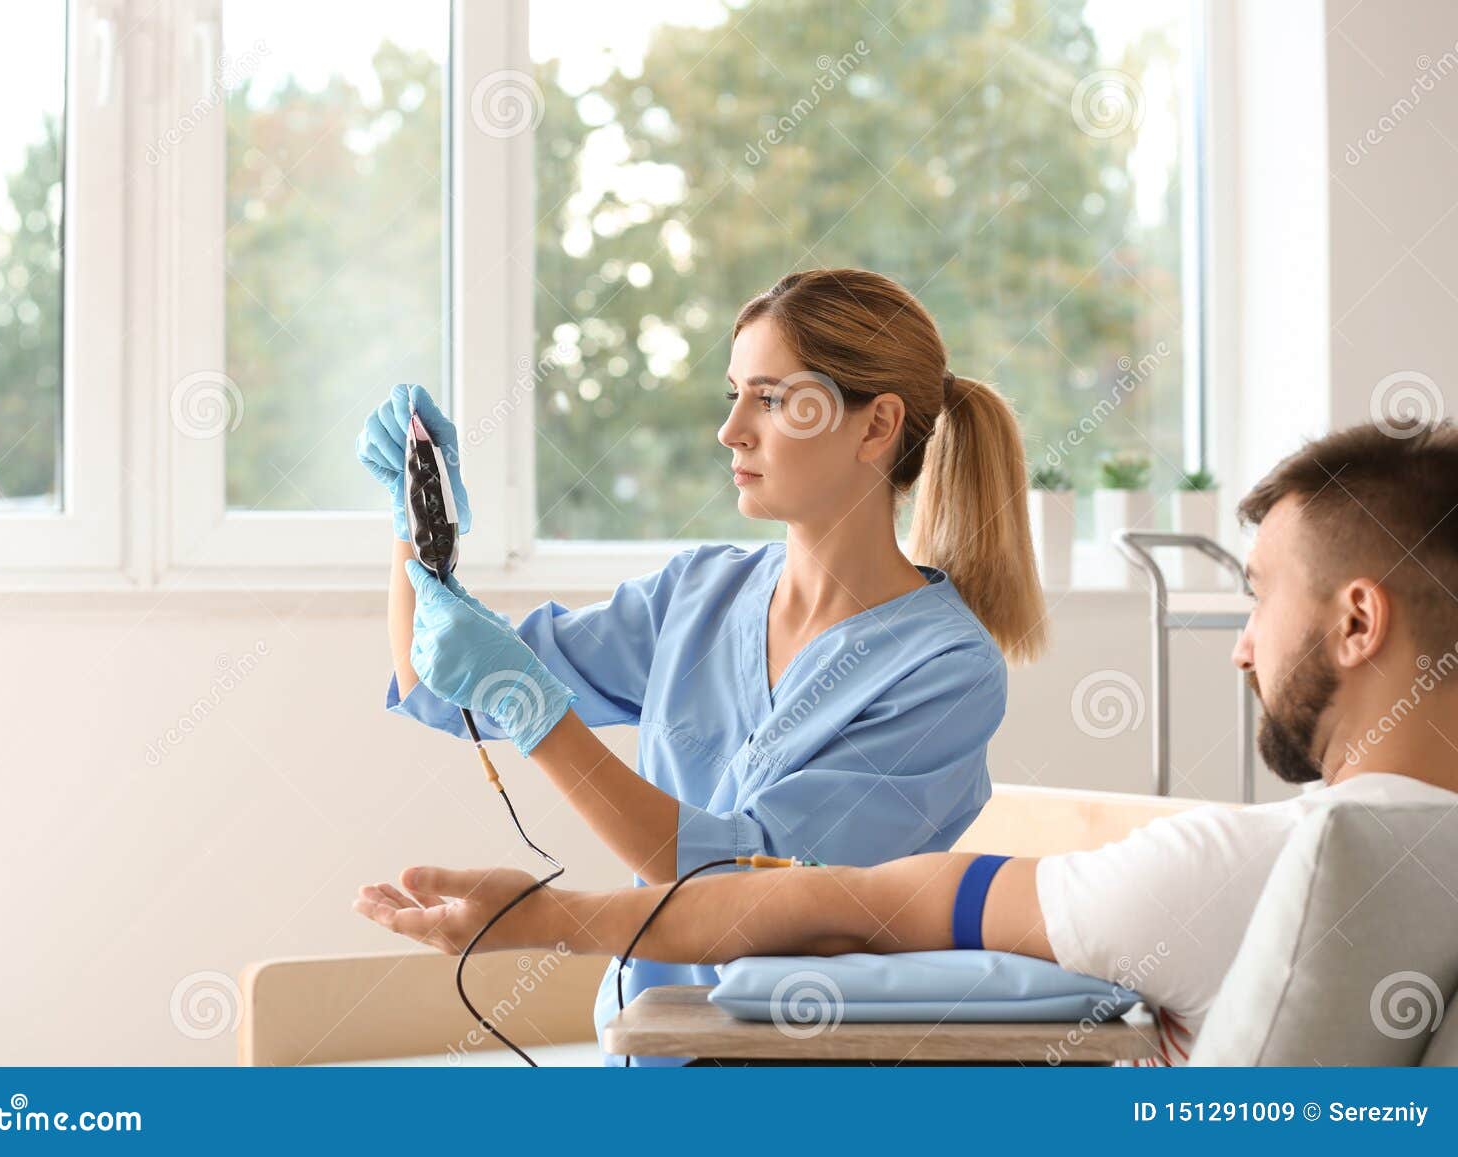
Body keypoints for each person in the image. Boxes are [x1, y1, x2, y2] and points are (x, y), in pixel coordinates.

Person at [356, 420, 1458, 1065]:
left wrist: (543, 910)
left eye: (1257, 594)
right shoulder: (700, 590)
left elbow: (836, 897)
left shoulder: (1230, 867)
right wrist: (414, 542)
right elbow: (442, 686)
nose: (1241, 646)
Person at [357, 268, 1048, 1065]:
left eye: (773, 399)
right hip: (643, 1047)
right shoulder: (697, 594)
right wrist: (415, 524)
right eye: (734, 394)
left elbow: (743, 892)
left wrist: (536, 712)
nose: (731, 430)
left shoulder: (946, 672)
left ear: (877, 425)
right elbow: (439, 687)